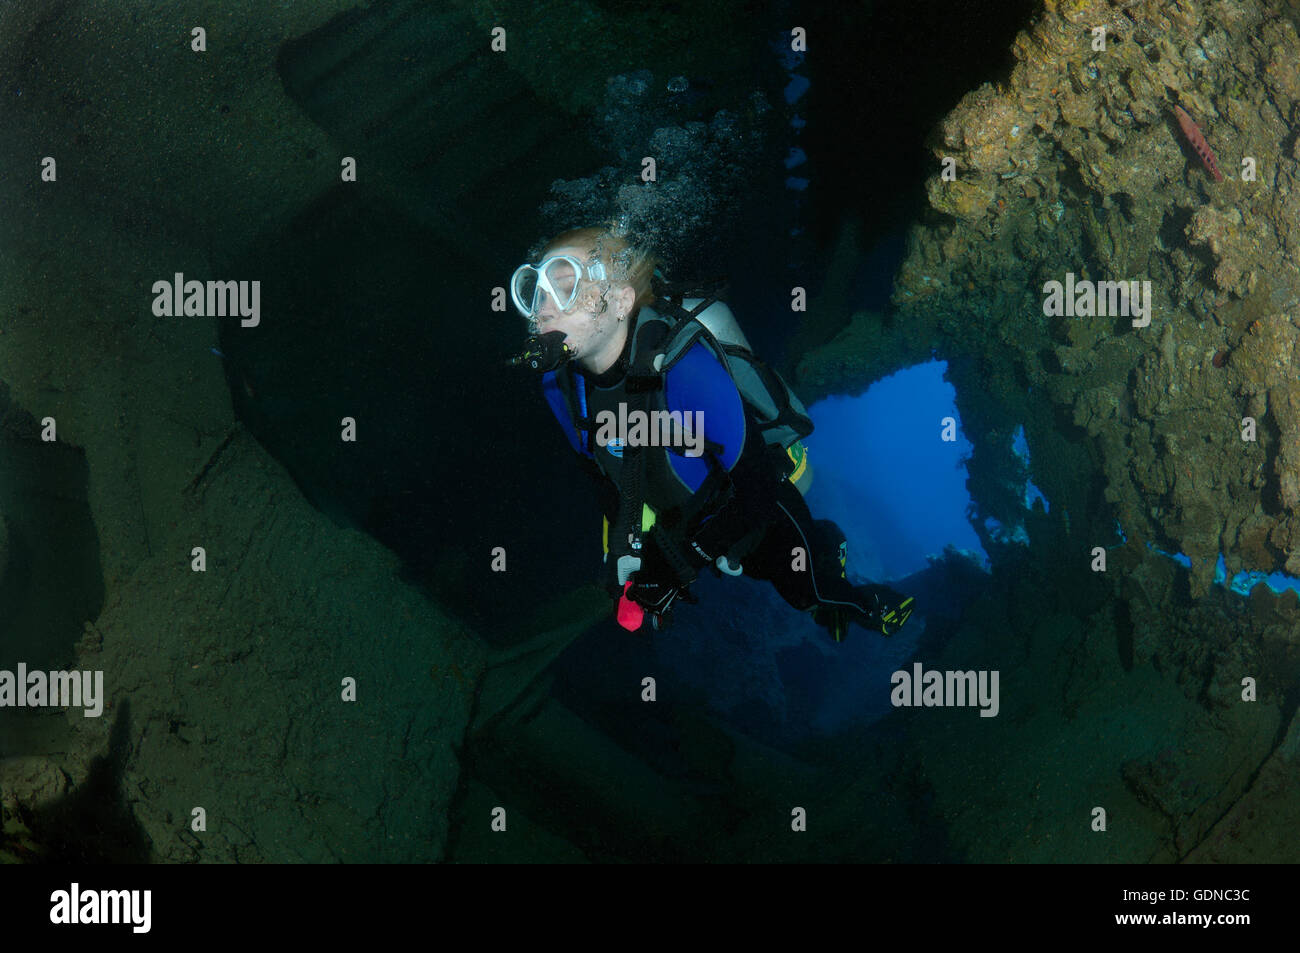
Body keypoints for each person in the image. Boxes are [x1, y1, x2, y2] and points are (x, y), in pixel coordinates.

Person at [510, 224, 915, 639]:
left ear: (620, 300)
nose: (544, 308)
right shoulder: (557, 386)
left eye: (565, 285)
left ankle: (859, 593)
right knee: (756, 575)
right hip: (678, 513)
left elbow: (756, 486)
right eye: (535, 290)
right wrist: (624, 551)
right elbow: (599, 474)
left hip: (757, 503)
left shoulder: (685, 369)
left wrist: (682, 561)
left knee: (806, 593)